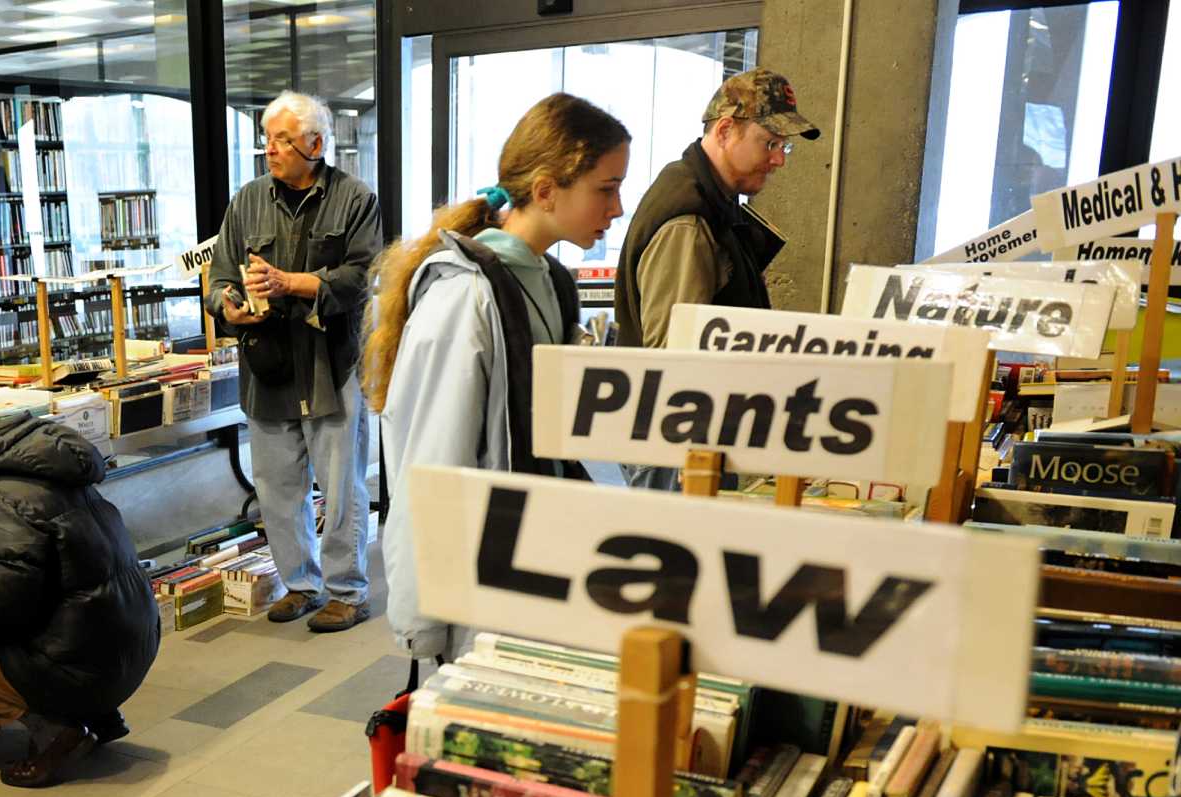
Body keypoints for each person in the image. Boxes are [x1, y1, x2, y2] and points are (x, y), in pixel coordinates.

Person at [363, 94, 631, 661]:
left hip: (537, 563)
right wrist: (421, 620)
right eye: (605, 188)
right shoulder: (465, 295)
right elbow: (427, 462)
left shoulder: (551, 282)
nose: (619, 206)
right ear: (545, 189)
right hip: (480, 589)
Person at [0, 398, 160, 789]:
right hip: (133, 646)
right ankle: (100, 715)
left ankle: (57, 732)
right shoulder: (53, 466)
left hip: (83, 670)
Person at [206, 89, 383, 634]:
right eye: (266, 139)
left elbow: (361, 278)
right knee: (278, 487)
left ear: (315, 143)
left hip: (331, 363)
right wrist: (232, 307)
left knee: (340, 485)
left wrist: (291, 283)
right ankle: (300, 586)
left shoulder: (355, 199)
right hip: (269, 364)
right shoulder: (247, 200)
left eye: (281, 139)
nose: (270, 150)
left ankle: (347, 593)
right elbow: (218, 279)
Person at [613, 68, 820, 350]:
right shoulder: (688, 221)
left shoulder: (717, 201)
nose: (778, 160)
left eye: (785, 146)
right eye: (771, 143)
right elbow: (671, 357)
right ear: (725, 131)